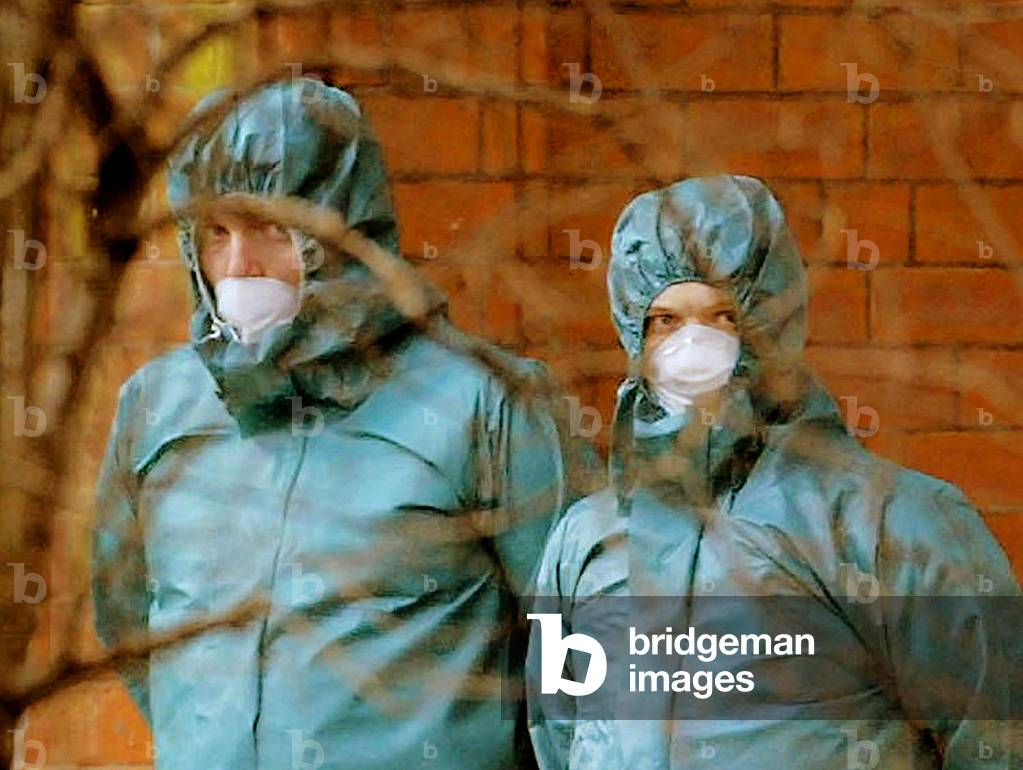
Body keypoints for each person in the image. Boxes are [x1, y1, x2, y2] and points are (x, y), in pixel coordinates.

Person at [92, 78, 584, 770]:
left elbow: (586, 651)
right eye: (216, 233)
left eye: (272, 228)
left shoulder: (487, 404)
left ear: (343, 227)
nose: (239, 267)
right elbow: (129, 624)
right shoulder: (158, 406)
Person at [526, 174, 1022, 769]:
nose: (693, 345)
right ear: (634, 331)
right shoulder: (586, 540)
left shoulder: (886, 522)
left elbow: (997, 733)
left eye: (723, 316)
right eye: (666, 321)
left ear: (769, 321)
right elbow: (558, 733)